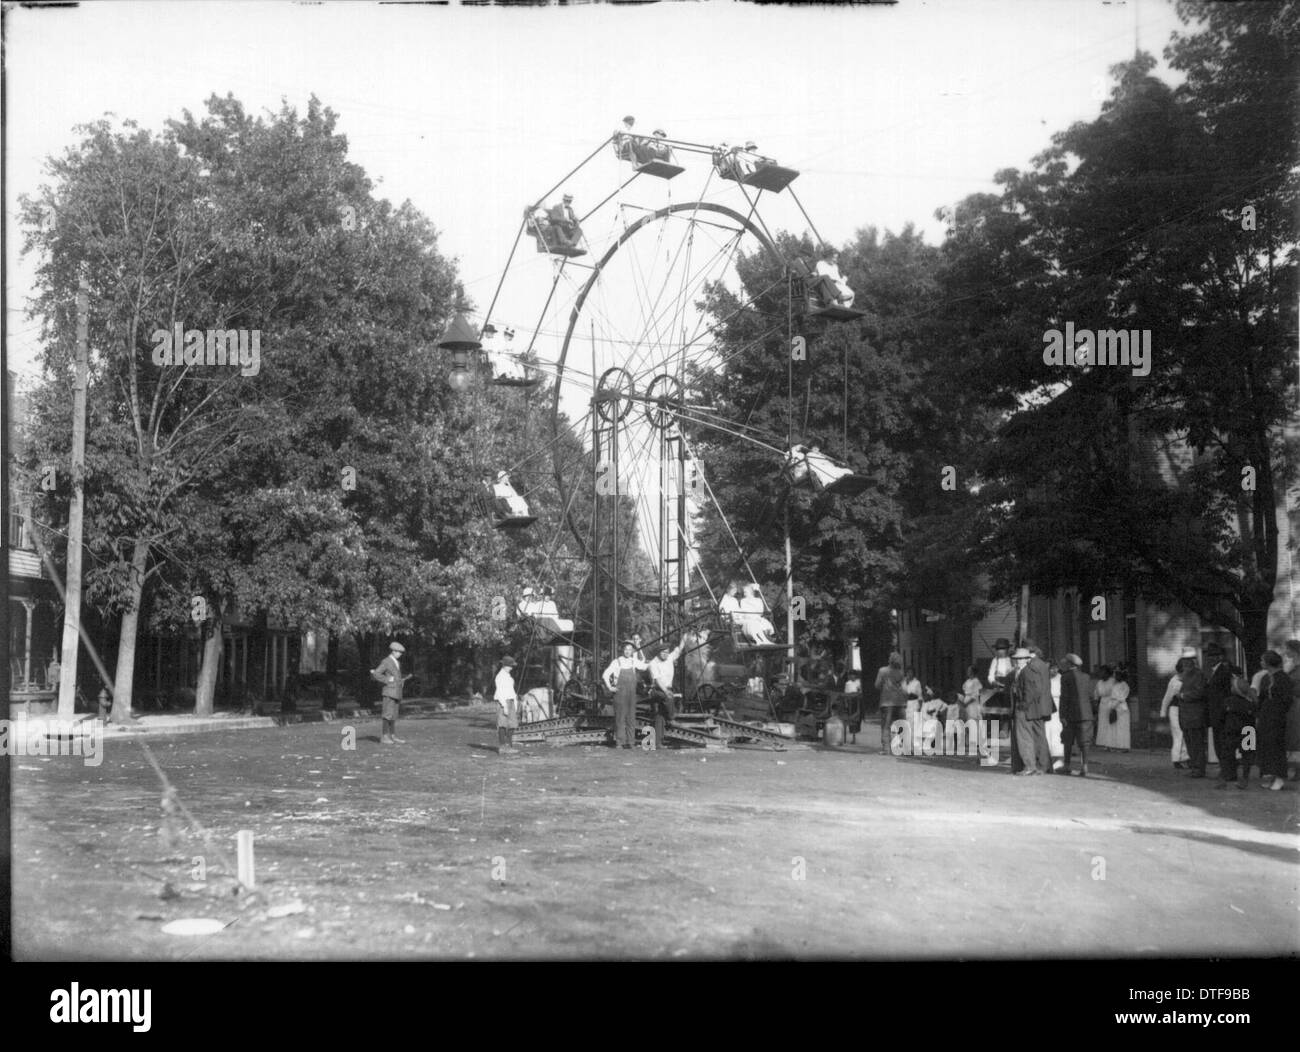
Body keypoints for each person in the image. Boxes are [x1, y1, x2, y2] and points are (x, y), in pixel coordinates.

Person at [1010, 646, 1052, 775]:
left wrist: (1023, 704)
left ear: (1026, 659)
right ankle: (1041, 766)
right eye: (1016, 659)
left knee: (1024, 737)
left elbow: (1032, 691)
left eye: (1020, 659)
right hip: (1035, 709)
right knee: (1037, 737)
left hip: (1025, 709)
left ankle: (1029, 766)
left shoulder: (1025, 672)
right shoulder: (1031, 669)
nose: (1017, 661)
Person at [1203, 642, 1239, 789]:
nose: (1210, 659)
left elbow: (1226, 693)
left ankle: (1228, 772)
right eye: (1209, 656)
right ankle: (1227, 771)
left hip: (1222, 715)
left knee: (1224, 744)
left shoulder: (1223, 671)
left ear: (1220, 657)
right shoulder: (1214, 672)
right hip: (1215, 714)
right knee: (1220, 744)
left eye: (1214, 656)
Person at [1256, 650, 1293, 791]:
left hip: (1277, 716)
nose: (1261, 663)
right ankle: (1268, 775)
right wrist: (1259, 714)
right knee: (1265, 746)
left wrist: (1278, 711)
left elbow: (1287, 699)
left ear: (1269, 662)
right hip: (1265, 715)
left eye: (1263, 660)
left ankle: (1279, 777)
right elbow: (1261, 698)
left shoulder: (1283, 678)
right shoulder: (1265, 678)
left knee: (1276, 746)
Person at [603, 640, 648, 749]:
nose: (628, 651)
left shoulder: (634, 661)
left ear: (632, 651)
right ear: (622, 650)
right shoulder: (617, 662)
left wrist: (641, 649)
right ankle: (619, 742)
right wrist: (610, 687)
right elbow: (605, 675)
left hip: (631, 694)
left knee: (631, 718)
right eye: (626, 649)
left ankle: (631, 743)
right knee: (620, 718)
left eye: (630, 649)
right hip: (620, 694)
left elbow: (645, 665)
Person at [1159, 648, 1198, 769]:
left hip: (1187, 709)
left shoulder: (1191, 679)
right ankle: (1177, 758)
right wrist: (1163, 712)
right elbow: (1167, 697)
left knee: (1187, 734)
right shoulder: (1174, 681)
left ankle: (1186, 757)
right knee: (1178, 734)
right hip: (1175, 710)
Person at [1058, 653, 1094, 776]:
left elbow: (1064, 698)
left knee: (1067, 741)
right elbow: (1090, 696)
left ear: (1069, 664)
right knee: (1085, 742)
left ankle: (1067, 765)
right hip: (1086, 715)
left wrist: (1062, 715)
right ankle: (1085, 766)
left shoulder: (1065, 677)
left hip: (1070, 714)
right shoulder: (1086, 677)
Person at [370, 641, 410, 745]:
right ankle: (384, 737)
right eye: (399, 652)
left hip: (396, 691)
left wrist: (401, 681)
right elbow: (376, 674)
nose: (400, 654)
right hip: (389, 692)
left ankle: (392, 736)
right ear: (393, 651)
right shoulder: (386, 661)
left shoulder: (397, 662)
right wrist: (388, 679)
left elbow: (396, 677)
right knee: (387, 714)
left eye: (401, 652)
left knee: (393, 715)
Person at [647, 638, 687, 743]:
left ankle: (657, 743)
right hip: (656, 690)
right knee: (667, 696)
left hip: (667, 688)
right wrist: (666, 691)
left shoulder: (669, 658)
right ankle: (671, 718)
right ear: (658, 652)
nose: (665, 654)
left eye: (667, 652)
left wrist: (685, 636)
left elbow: (679, 648)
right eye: (663, 652)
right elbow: (658, 680)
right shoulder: (653, 663)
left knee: (659, 715)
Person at [1178, 651, 1210, 778]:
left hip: (1196, 715)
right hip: (1186, 715)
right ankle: (1194, 767)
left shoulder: (1198, 674)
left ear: (1193, 661)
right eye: (1184, 660)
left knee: (1197, 743)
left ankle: (1199, 769)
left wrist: (1183, 696)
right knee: (1190, 742)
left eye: (1188, 660)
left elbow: (1199, 692)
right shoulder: (1185, 675)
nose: (1186, 663)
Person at [875, 651, 908, 755]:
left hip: (886, 702)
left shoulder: (882, 671)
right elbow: (904, 689)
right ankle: (903, 749)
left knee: (886, 726)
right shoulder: (901, 672)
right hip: (900, 702)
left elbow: (877, 685)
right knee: (901, 725)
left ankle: (886, 749)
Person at [786, 442, 854, 490]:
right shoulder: (808, 454)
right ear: (811, 447)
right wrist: (798, 447)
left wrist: (833, 463)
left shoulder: (820, 455)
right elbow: (789, 455)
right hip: (811, 467)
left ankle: (842, 479)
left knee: (834, 469)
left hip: (821, 466)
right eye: (814, 447)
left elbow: (826, 463)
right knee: (819, 470)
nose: (816, 449)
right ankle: (827, 482)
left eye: (817, 448)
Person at [1096, 665, 1131, 751]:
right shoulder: (1113, 684)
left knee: (1121, 727)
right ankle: (1111, 744)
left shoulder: (1123, 685)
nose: (1116, 677)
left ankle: (1123, 746)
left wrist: (1113, 706)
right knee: (1112, 727)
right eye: (1116, 675)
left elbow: (1121, 697)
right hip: (1110, 706)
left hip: (1119, 707)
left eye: (1118, 675)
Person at [495, 656, 519, 755]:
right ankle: (502, 747)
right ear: (505, 666)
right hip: (503, 701)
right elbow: (500, 692)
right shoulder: (500, 676)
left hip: (511, 700)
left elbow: (511, 690)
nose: (511, 668)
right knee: (502, 724)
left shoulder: (508, 676)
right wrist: (504, 705)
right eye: (510, 666)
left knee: (512, 724)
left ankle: (509, 745)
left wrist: (515, 702)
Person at [1284, 640, 1300, 780]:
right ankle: (1296, 769)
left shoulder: (1297, 668)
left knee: (1297, 736)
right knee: (1293, 736)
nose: (1285, 652)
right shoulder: (1291, 666)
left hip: (1297, 703)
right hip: (1292, 704)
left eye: (1287, 649)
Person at [1046, 659, 1065, 771]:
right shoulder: (1045, 679)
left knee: (1057, 731)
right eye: (1050, 669)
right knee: (1047, 731)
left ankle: (1060, 758)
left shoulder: (1061, 679)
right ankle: (1049, 758)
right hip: (1048, 707)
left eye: (1055, 668)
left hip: (1058, 707)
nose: (1053, 671)